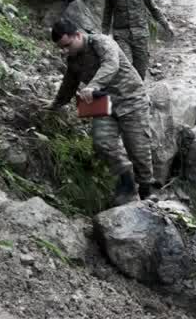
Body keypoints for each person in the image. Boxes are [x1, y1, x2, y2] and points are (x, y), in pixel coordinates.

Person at [47, 18, 156, 205]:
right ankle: (127, 182)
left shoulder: (101, 42)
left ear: (78, 35)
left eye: (67, 45)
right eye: (61, 48)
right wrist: (56, 104)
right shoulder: (73, 58)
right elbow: (69, 83)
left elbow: (110, 65)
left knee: (138, 148)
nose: (65, 51)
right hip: (104, 103)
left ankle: (147, 191)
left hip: (131, 99)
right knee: (102, 142)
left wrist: (93, 85)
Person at [103, 0, 175, 80]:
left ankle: (138, 93)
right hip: (121, 35)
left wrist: (166, 25)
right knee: (125, 65)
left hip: (140, 34)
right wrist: (104, 35)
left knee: (141, 68)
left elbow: (153, 8)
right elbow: (107, 15)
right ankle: (127, 94)